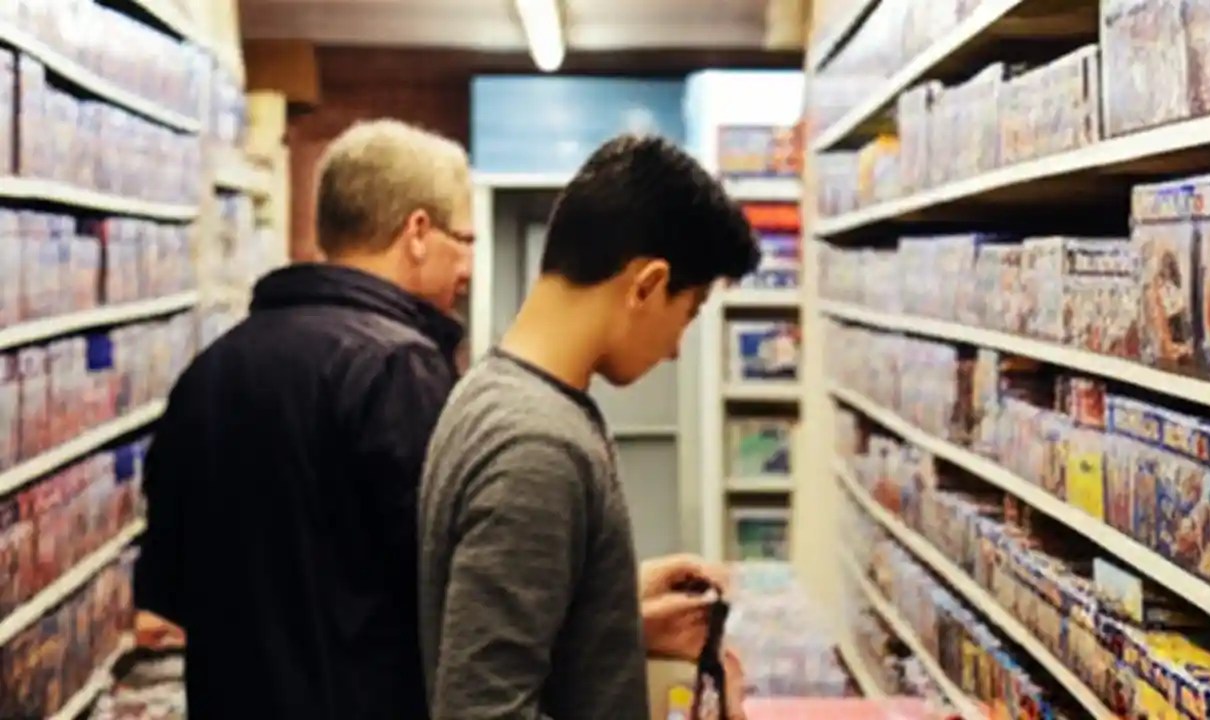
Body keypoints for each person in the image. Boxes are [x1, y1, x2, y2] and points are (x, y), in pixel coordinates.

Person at [134, 119, 473, 720]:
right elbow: (448, 586)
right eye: (463, 239)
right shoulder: (399, 368)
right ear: (417, 232)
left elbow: (169, 591)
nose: (467, 266)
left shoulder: (212, 369)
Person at [418, 134, 761, 720]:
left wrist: (614, 603)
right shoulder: (536, 447)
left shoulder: (495, 392)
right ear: (648, 285)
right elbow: (485, 709)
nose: (678, 348)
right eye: (690, 311)